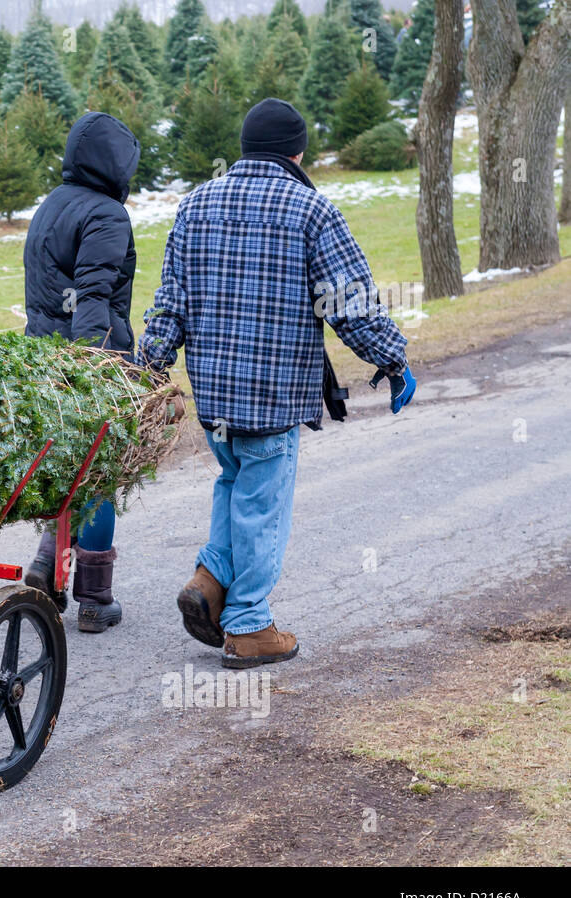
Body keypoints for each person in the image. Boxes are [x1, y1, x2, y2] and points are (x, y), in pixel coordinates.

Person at [136, 98, 416, 669]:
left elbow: (170, 303)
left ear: (243, 147)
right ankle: (248, 627)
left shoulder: (194, 206)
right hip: (272, 395)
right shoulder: (311, 210)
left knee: (233, 485)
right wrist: (392, 360)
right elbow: (351, 304)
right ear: (297, 151)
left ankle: (209, 580)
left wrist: (149, 366)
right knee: (262, 506)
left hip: (214, 394)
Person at [21, 111, 141, 633]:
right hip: (87, 355)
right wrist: (93, 368)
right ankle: (95, 597)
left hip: (43, 354)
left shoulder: (52, 203)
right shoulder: (108, 215)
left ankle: (48, 568)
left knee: (69, 465)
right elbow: (91, 295)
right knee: (101, 473)